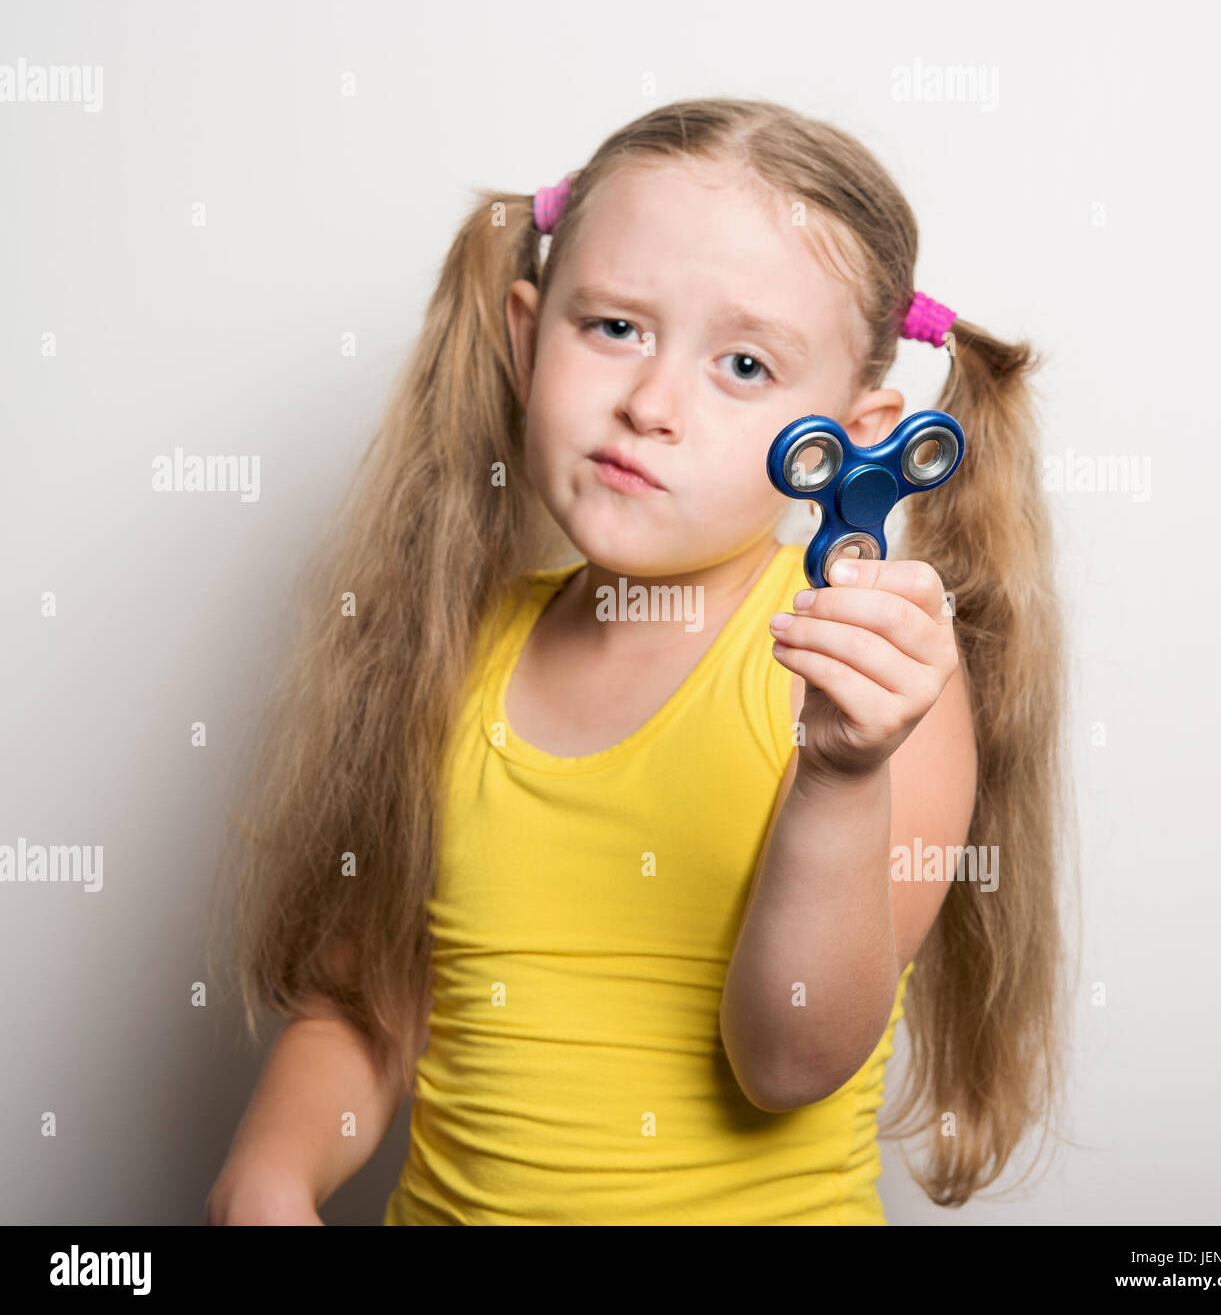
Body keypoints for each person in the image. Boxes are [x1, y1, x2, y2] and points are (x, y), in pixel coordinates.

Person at [205, 97, 1071, 1226]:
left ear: (854, 440)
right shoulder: (448, 650)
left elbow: (790, 1056)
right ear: (525, 335)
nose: (651, 404)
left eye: (745, 364)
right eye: (613, 328)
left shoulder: (870, 688)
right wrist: (270, 1173)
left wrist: (842, 774)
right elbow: (368, 1001)